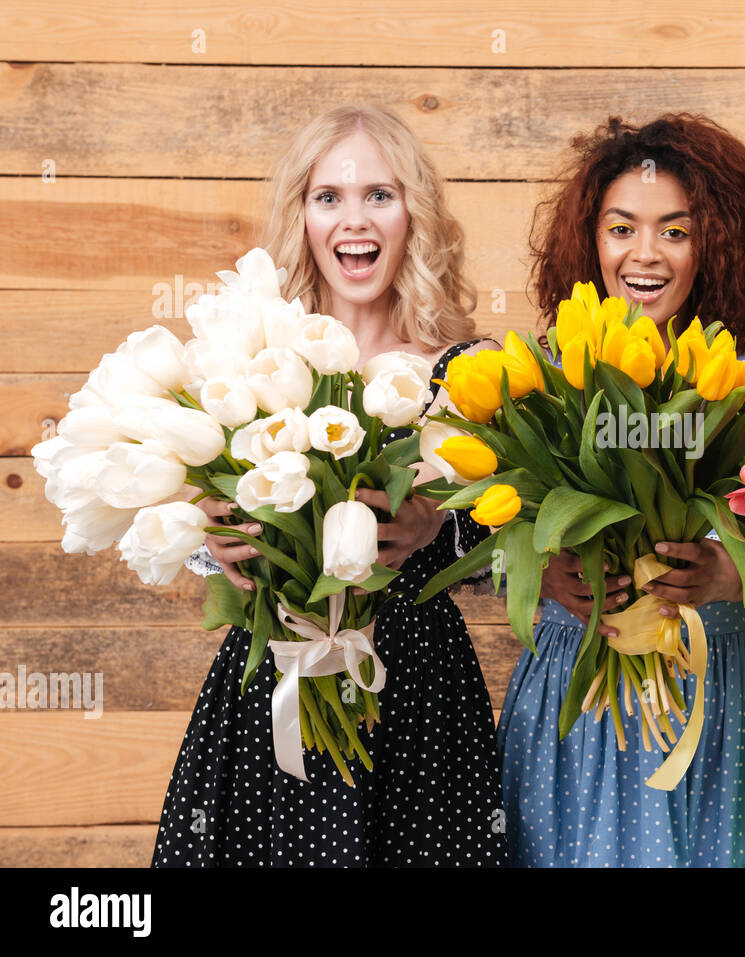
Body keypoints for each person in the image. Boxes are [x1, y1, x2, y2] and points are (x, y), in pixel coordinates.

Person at [153, 105, 507, 866]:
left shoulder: (467, 368)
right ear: (303, 217)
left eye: (381, 194)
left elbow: (512, 532)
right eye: (330, 197)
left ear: (415, 214)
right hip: (275, 674)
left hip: (417, 684)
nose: (357, 218)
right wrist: (218, 535)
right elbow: (203, 521)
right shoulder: (251, 360)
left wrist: (438, 529)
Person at [496, 114, 745, 866]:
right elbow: (486, 521)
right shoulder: (550, 371)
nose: (645, 254)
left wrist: (734, 570)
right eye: (621, 228)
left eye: (676, 231)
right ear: (590, 241)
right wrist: (540, 561)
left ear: (712, 244)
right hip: (579, 670)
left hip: (711, 673)